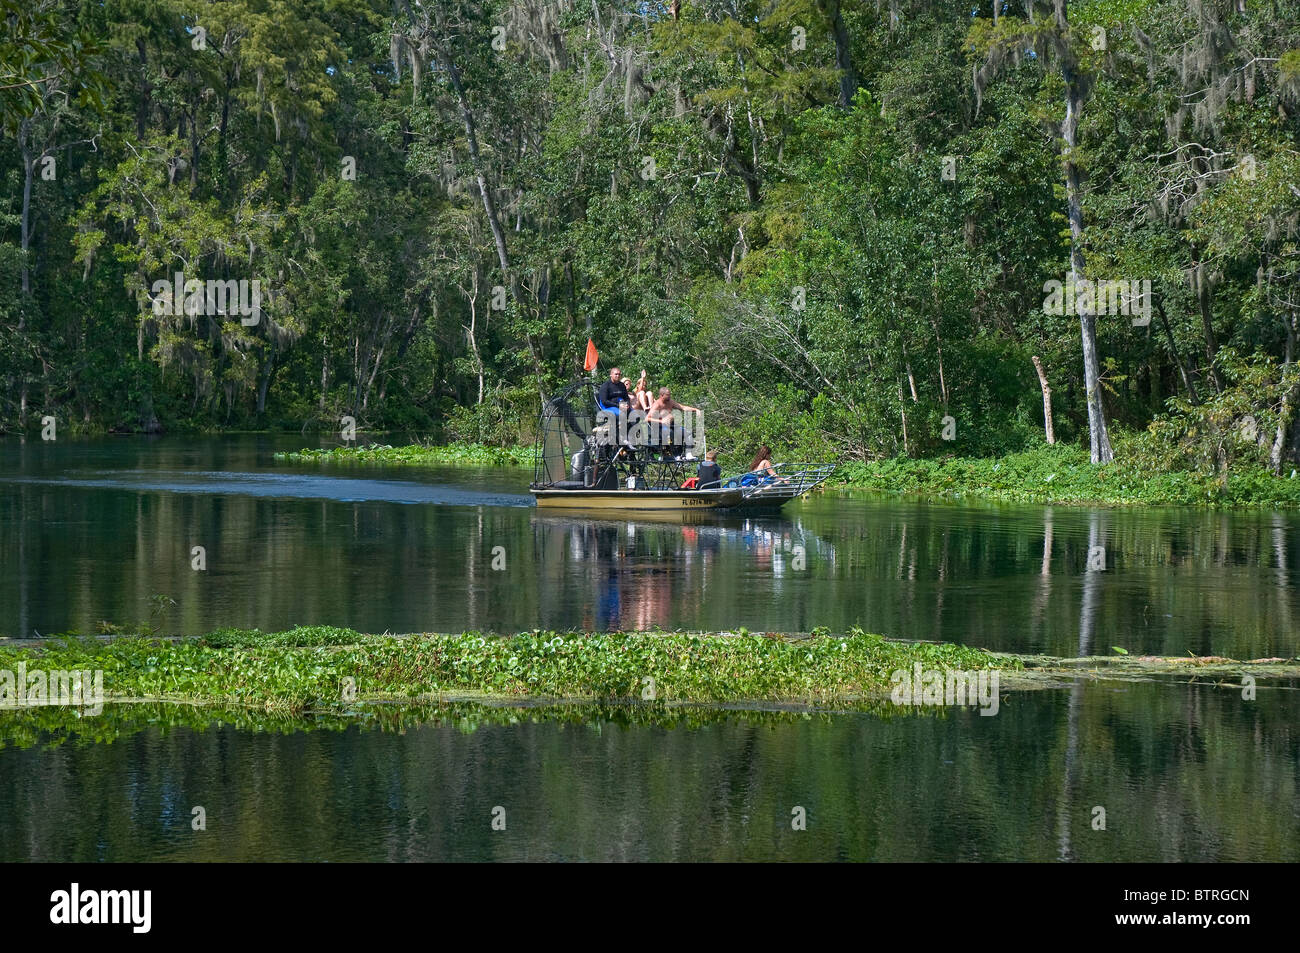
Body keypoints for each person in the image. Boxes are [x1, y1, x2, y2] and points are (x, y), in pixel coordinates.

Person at [646, 386, 699, 451]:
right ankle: (671, 454)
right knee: (670, 433)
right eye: (667, 395)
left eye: (670, 394)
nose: (669, 396)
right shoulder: (657, 405)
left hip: (671, 425)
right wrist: (661, 421)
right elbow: (647, 418)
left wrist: (696, 410)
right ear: (662, 395)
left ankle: (688, 454)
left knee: (687, 432)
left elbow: (683, 408)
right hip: (659, 427)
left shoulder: (671, 402)